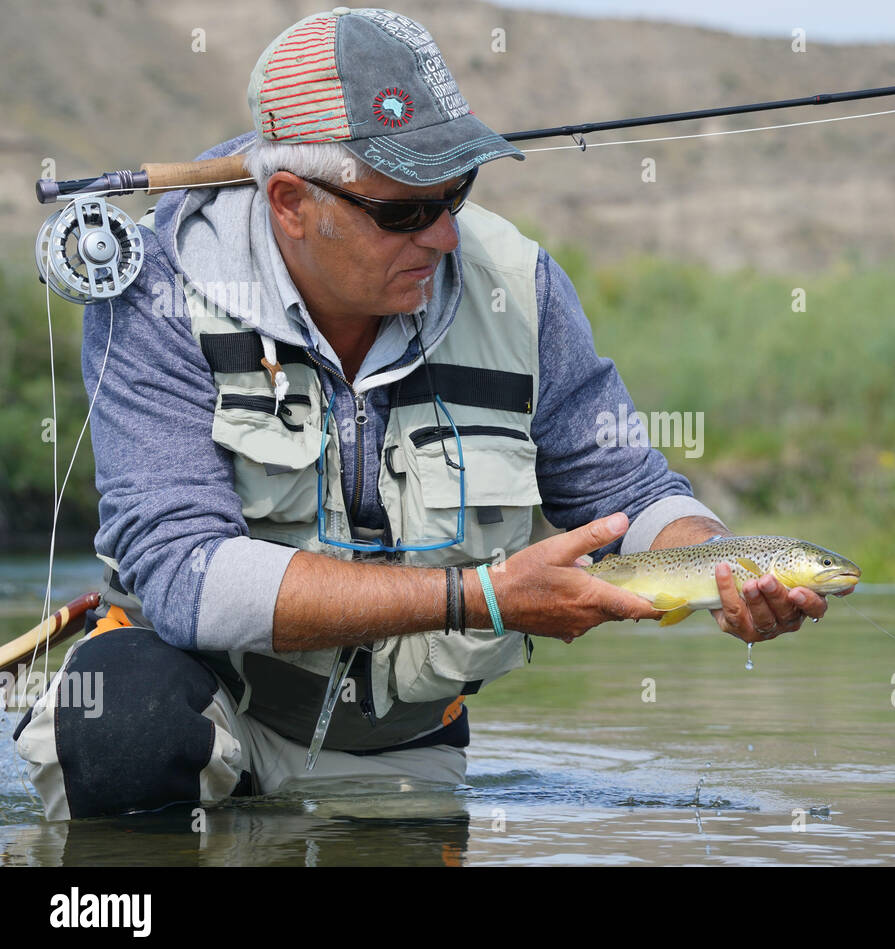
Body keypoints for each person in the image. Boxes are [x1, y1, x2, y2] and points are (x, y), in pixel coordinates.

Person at [13, 7, 835, 821]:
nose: (445, 234)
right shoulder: (157, 287)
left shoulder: (521, 284)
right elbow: (184, 574)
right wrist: (478, 595)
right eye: (404, 210)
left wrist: (725, 567)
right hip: (201, 706)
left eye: (458, 191)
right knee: (117, 727)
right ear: (293, 203)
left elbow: (635, 495)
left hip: (400, 751)